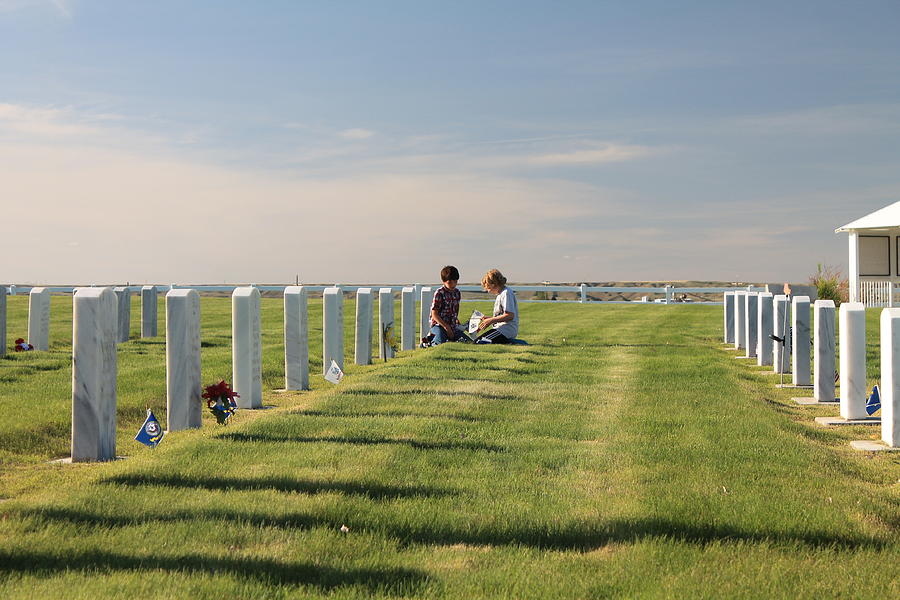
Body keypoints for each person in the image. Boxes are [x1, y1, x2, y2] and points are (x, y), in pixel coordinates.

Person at [424, 265, 467, 346]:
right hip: (438, 325)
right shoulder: (439, 293)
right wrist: (446, 328)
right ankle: (428, 343)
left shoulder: (457, 293)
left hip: (452, 325)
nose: (453, 284)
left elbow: (455, 310)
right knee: (440, 343)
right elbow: (434, 314)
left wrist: (456, 321)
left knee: (467, 341)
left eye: (455, 281)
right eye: (450, 282)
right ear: (444, 281)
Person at [477, 269, 519, 344]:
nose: (488, 291)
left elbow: (510, 315)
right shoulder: (500, 294)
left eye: (487, 287)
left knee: (480, 342)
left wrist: (491, 320)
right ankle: (507, 342)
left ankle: (513, 342)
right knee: (478, 341)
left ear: (493, 284)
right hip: (500, 329)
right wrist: (490, 319)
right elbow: (502, 315)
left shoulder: (506, 293)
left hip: (505, 330)